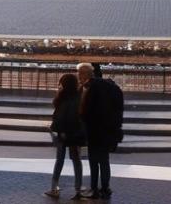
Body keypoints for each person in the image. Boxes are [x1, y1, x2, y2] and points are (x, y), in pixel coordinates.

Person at [79, 62, 123, 200]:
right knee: (104, 161)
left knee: (93, 161)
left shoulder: (91, 88)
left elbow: (86, 111)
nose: (78, 76)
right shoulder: (112, 87)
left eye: (80, 73)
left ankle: (94, 189)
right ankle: (105, 188)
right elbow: (119, 109)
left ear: (87, 74)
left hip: (94, 130)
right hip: (109, 130)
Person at [45, 73, 87, 199]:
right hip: (75, 133)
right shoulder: (79, 97)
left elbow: (60, 116)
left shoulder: (63, 98)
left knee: (60, 160)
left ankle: (54, 188)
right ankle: (78, 189)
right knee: (77, 161)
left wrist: (57, 130)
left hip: (62, 133)